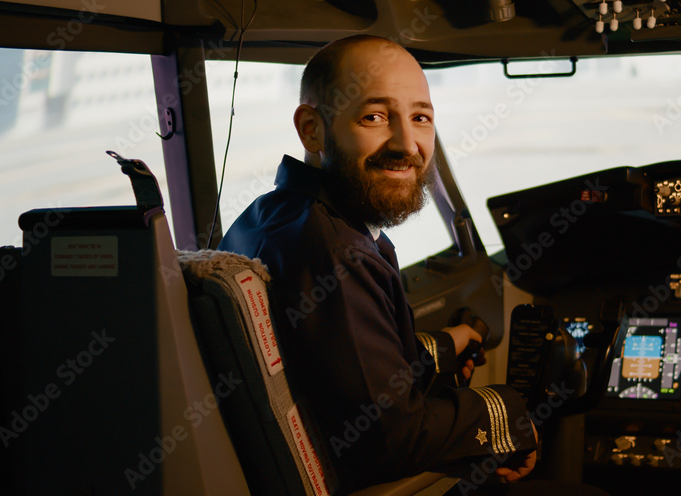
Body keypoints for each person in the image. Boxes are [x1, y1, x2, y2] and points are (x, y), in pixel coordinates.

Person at [218, 35, 538, 492]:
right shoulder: (335, 251)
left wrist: (441, 349)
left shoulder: (273, 214)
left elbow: (332, 368)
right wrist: (513, 415)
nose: (407, 143)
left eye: (420, 118)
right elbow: (391, 439)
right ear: (312, 128)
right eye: (374, 116)